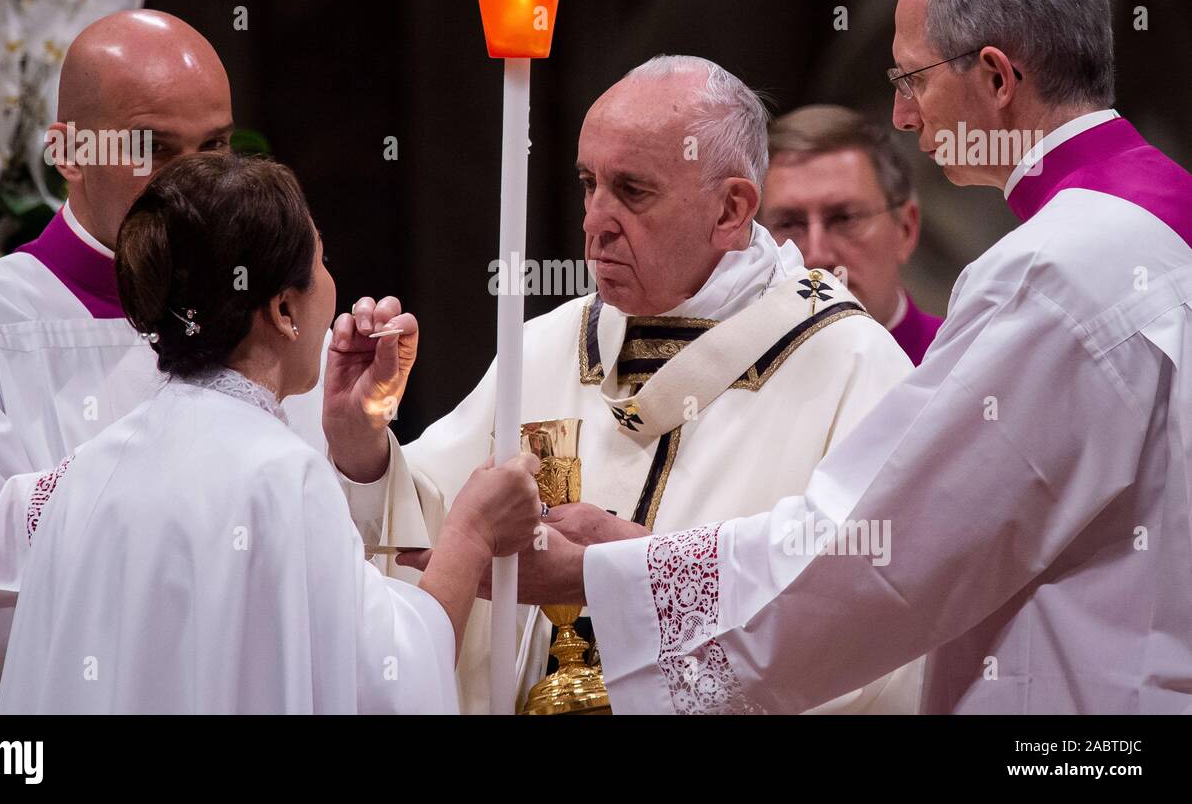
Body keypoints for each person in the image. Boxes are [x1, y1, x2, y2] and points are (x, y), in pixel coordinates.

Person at [493, 0, 1192, 714]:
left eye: (912, 79)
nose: (901, 116)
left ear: (997, 78)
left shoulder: (1053, 271)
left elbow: (882, 555)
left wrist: (619, 574)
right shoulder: (1159, 223)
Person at [331, 55, 923, 713]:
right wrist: (364, 448)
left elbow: (867, 626)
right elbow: (429, 543)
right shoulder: (547, 346)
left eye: (633, 191)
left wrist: (613, 579)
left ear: (732, 209)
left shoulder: (850, 366)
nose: (595, 221)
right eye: (589, 184)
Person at [0, 10, 407, 712]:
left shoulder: (268, 316)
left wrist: (355, 448)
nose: (194, 180)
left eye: (217, 145)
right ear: (68, 151)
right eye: (154, 148)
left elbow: (334, 589)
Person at [0, 151, 540, 713]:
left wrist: (355, 439)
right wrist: (472, 537)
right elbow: (386, 687)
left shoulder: (88, 470)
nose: (333, 287)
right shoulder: (280, 472)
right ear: (282, 309)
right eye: (322, 261)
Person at [761, 104, 943, 364]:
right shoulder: (728, 384)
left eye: (845, 218)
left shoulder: (968, 368)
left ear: (906, 230)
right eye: (789, 224)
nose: (818, 255)